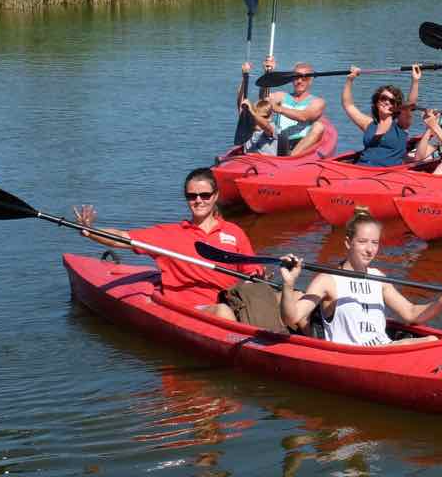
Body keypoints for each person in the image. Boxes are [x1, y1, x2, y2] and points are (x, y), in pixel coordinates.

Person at [72, 167, 263, 318]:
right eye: (192, 196)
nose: (198, 201)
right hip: (194, 310)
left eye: (204, 195)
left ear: (215, 196)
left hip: (232, 303)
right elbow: (122, 238)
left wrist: (255, 277)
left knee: (281, 299)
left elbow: (252, 270)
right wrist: (90, 231)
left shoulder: (234, 233)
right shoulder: (168, 235)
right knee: (222, 311)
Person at [278, 210, 442, 345]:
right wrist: (288, 283)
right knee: (431, 340)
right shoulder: (327, 280)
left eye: (374, 243)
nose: (370, 249)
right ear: (348, 243)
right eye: (362, 242)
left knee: (432, 340)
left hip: (383, 348)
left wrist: (441, 302)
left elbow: (411, 313)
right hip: (353, 355)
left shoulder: (378, 278)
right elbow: (291, 318)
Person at [341, 70, 407, 167]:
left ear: (397, 106)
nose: (387, 102)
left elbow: (411, 103)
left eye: (392, 101)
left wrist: (415, 81)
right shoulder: (368, 123)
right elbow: (348, 105)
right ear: (377, 102)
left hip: (387, 172)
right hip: (362, 167)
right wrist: (350, 80)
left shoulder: (401, 124)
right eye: (383, 98)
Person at [266, 57, 330, 157]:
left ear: (310, 80)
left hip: (301, 143)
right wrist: (267, 74)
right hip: (280, 140)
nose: (299, 81)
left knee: (319, 127)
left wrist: (279, 109)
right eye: (296, 77)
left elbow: (303, 116)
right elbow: (264, 99)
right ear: (292, 79)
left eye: (304, 78)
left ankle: (291, 158)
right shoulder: (281, 96)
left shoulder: (318, 102)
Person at [235, 65, 279, 155]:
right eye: (256, 118)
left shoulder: (272, 128)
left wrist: (252, 113)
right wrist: (245, 77)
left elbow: (266, 127)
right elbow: (240, 101)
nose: (258, 121)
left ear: (271, 117)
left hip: (268, 161)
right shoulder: (249, 126)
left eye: (264, 117)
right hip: (250, 160)